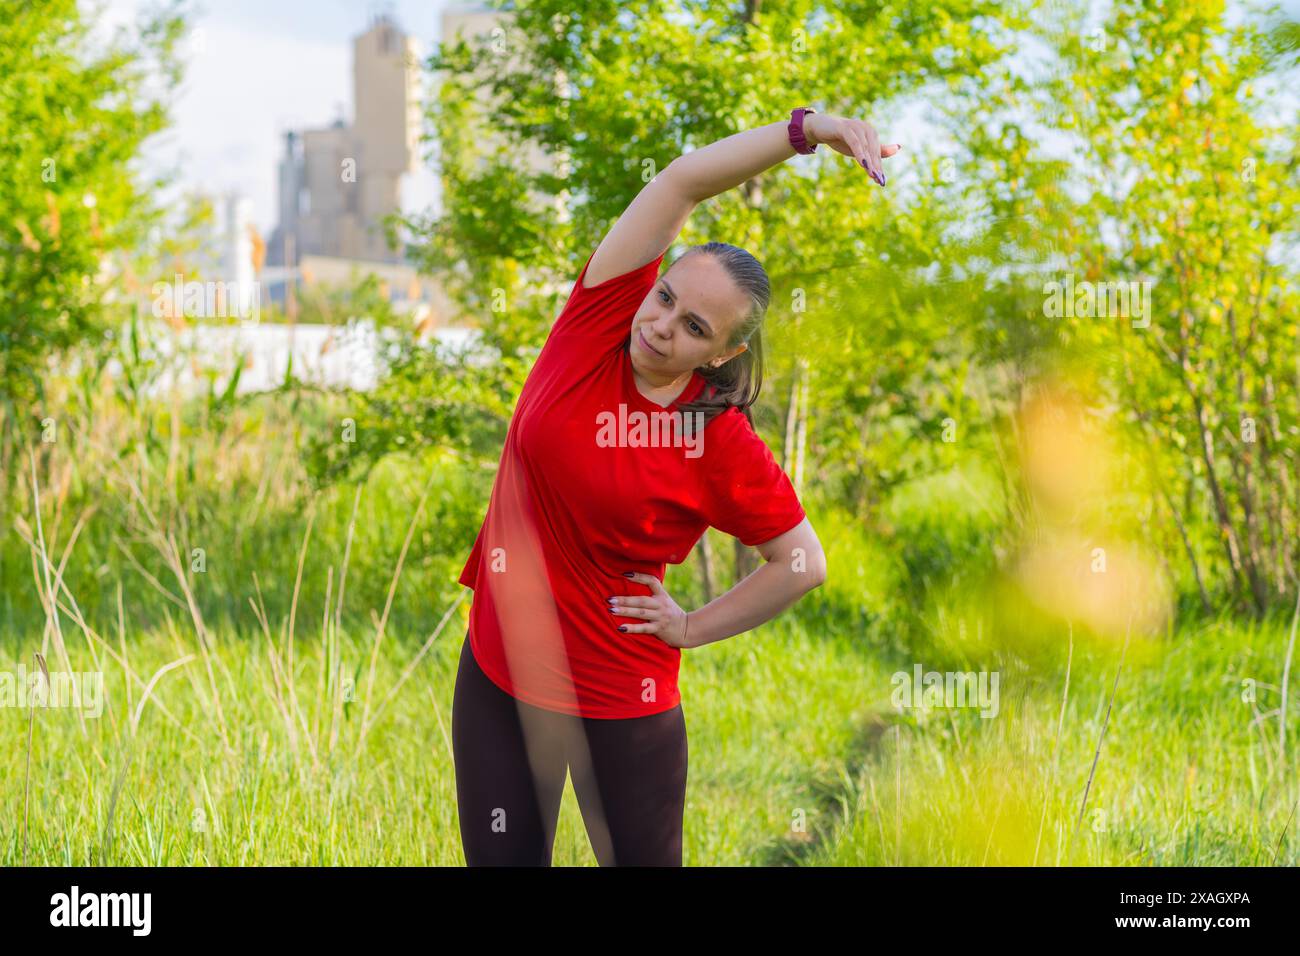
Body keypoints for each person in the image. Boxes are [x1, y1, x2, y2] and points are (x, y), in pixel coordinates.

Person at [452, 107, 901, 866]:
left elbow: (803, 564)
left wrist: (690, 626)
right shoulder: (594, 322)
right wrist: (810, 131)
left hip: (621, 705)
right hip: (500, 676)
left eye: (695, 327)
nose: (663, 326)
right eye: (666, 298)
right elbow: (682, 180)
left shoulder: (715, 440)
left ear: (721, 354)